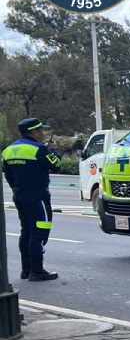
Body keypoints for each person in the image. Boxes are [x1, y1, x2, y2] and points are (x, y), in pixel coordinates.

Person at [1, 118, 59, 281]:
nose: (42, 134)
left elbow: (8, 175)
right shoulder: (39, 149)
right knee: (40, 232)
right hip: (38, 196)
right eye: (40, 131)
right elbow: (56, 165)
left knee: (26, 231)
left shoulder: (8, 150)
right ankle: (37, 271)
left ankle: (26, 270)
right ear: (33, 132)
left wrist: (17, 189)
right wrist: (52, 150)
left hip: (19, 196)